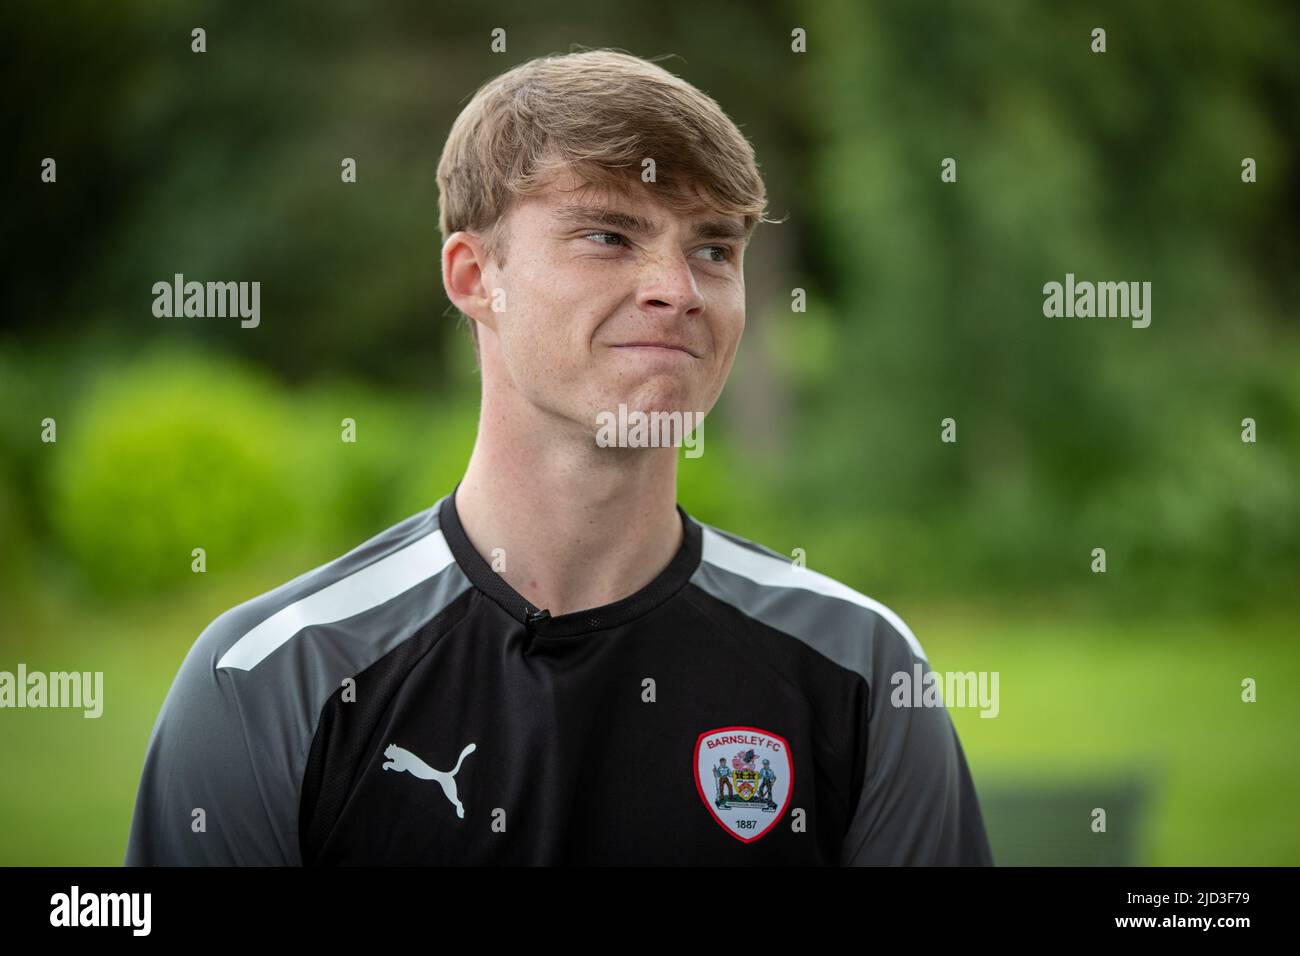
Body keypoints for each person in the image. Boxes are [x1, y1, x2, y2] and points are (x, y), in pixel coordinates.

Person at [125, 49, 993, 866]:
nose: (678, 290)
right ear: (473, 277)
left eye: (713, 248)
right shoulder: (270, 680)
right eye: (609, 237)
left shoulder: (863, 671)